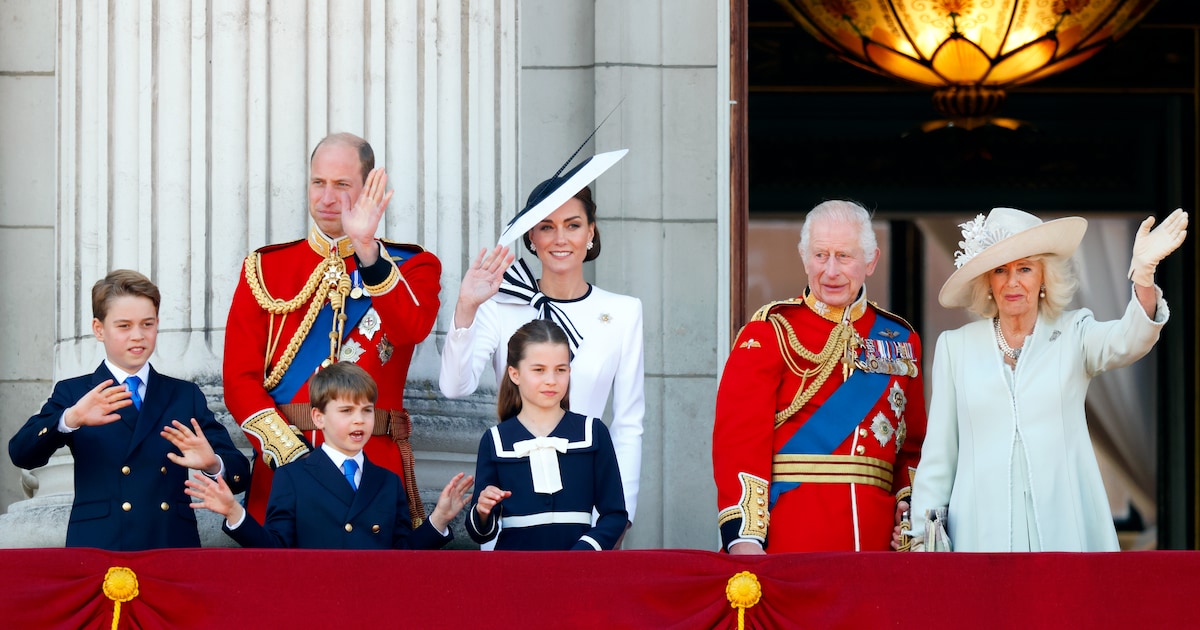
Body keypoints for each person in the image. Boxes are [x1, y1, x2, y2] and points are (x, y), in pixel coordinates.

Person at [906, 207, 1188, 552]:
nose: (1012, 282)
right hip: (980, 535)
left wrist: (1143, 277)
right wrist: (921, 537)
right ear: (987, 282)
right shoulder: (956, 347)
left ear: (1043, 277)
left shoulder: (1074, 333)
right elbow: (939, 453)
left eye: (1025, 268)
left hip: (1064, 530)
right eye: (1000, 270)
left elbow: (1128, 340)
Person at [223, 132, 441, 524]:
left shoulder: (411, 267)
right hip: (284, 470)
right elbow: (239, 379)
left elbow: (411, 329)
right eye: (318, 183)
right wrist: (292, 459)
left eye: (342, 185)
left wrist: (368, 252)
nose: (326, 198)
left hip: (372, 467)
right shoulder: (265, 269)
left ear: (369, 190)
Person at [712, 199, 927, 553]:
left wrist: (909, 515)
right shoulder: (771, 331)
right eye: (820, 255)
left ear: (870, 261)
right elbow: (738, 443)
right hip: (790, 539)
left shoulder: (901, 340)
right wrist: (745, 537)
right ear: (803, 256)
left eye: (844, 256)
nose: (830, 271)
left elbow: (913, 448)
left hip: (877, 546)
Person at [439, 166, 644, 536]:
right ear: (531, 236)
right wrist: (466, 307)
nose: (560, 238)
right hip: (513, 498)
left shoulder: (624, 312)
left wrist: (620, 517)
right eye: (546, 226)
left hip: (589, 509)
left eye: (573, 224)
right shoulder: (498, 305)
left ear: (591, 231)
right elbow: (455, 387)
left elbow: (628, 422)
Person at [9, 270, 251, 551]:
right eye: (124, 326)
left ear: (157, 324)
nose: (138, 336)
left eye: (147, 324)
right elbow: (22, 453)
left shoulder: (184, 395)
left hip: (169, 543)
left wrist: (212, 464)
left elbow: (239, 475)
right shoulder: (75, 393)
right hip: (99, 546)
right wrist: (70, 418)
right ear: (99, 329)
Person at [187, 363, 474, 549]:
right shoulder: (293, 477)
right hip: (315, 608)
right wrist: (235, 513)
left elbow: (402, 556)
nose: (359, 421)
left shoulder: (387, 482)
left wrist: (438, 519)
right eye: (346, 411)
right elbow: (275, 550)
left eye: (366, 410)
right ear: (318, 417)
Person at [467, 320, 627, 550]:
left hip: (579, 573)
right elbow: (480, 533)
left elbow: (615, 514)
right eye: (539, 370)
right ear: (515, 374)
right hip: (516, 572)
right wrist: (482, 511)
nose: (551, 380)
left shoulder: (593, 432)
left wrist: (584, 552)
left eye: (560, 370)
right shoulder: (495, 440)